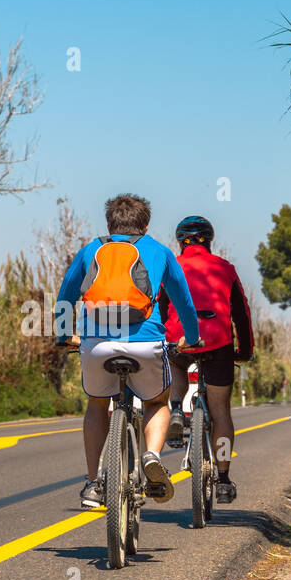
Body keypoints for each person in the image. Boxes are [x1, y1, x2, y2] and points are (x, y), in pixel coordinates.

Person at [55, 194, 201, 509]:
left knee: (97, 405)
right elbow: (183, 301)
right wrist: (192, 337)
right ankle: (151, 455)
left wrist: (64, 334)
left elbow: (66, 295)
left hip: (97, 345)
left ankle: (93, 484)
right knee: (157, 402)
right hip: (146, 343)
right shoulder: (159, 251)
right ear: (145, 225)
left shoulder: (91, 249)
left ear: (109, 224)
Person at [159, 215, 254, 503]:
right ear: (209, 240)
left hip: (180, 339)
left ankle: (176, 409)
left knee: (175, 362)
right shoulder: (225, 268)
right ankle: (223, 479)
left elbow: (160, 308)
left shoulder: (170, 266)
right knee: (221, 412)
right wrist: (245, 350)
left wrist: (163, 339)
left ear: (180, 242)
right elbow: (241, 313)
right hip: (218, 343)